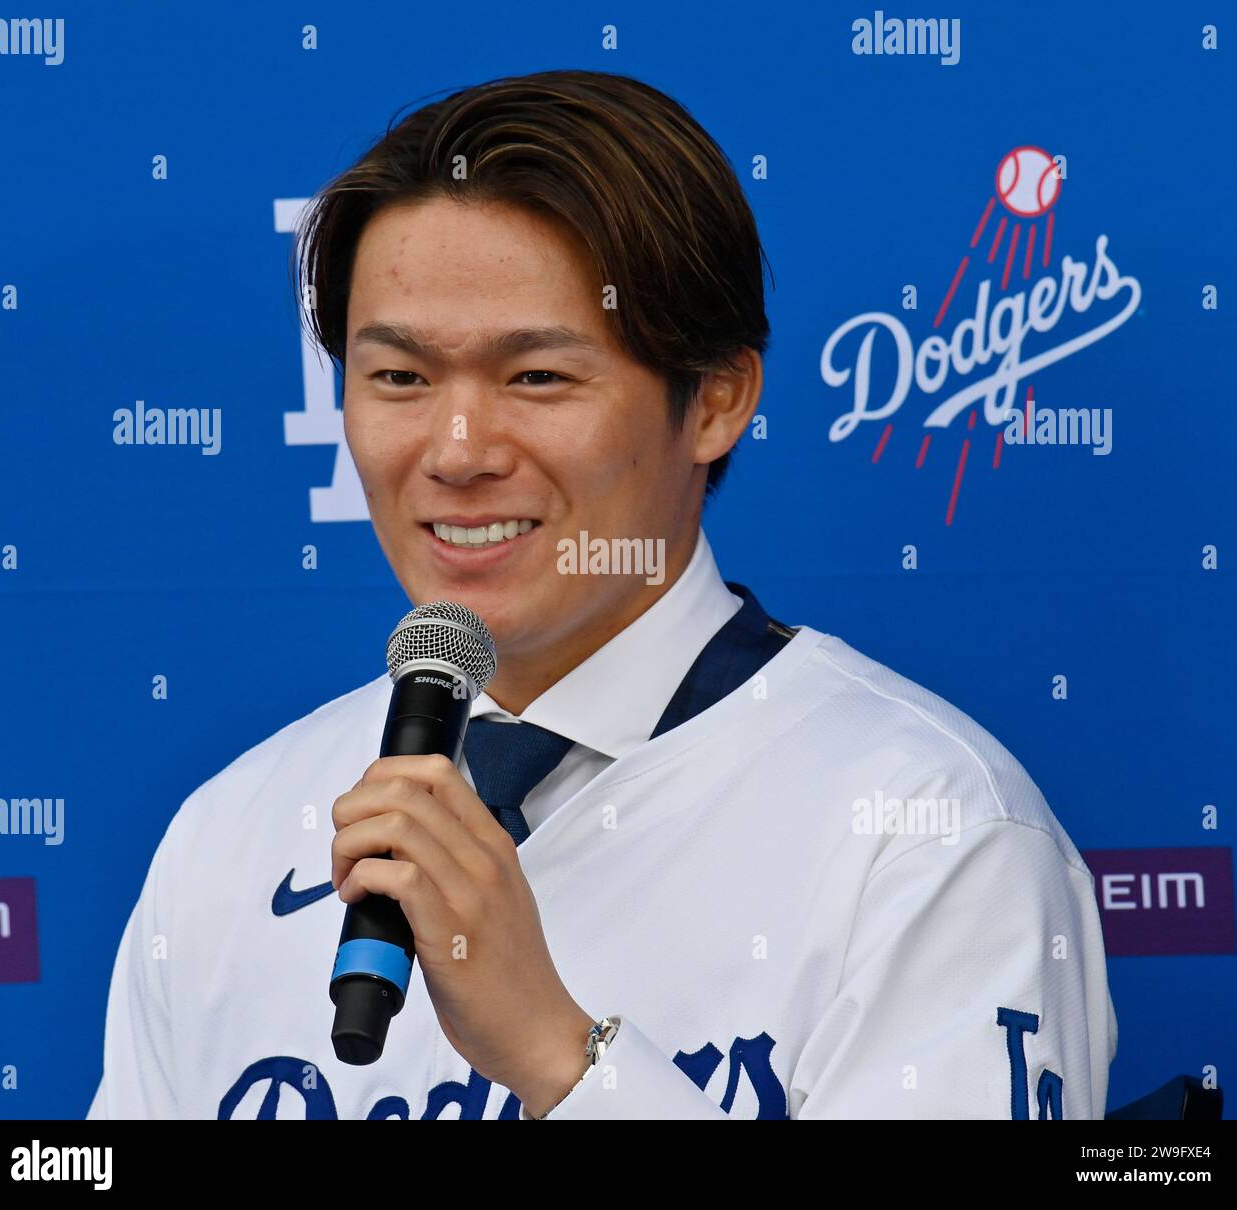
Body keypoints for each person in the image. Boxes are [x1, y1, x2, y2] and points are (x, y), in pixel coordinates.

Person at [87, 68, 1115, 1120]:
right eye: (399, 377)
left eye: (537, 377)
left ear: (715, 400)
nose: (457, 451)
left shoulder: (930, 831)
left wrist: (559, 1058)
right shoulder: (232, 832)